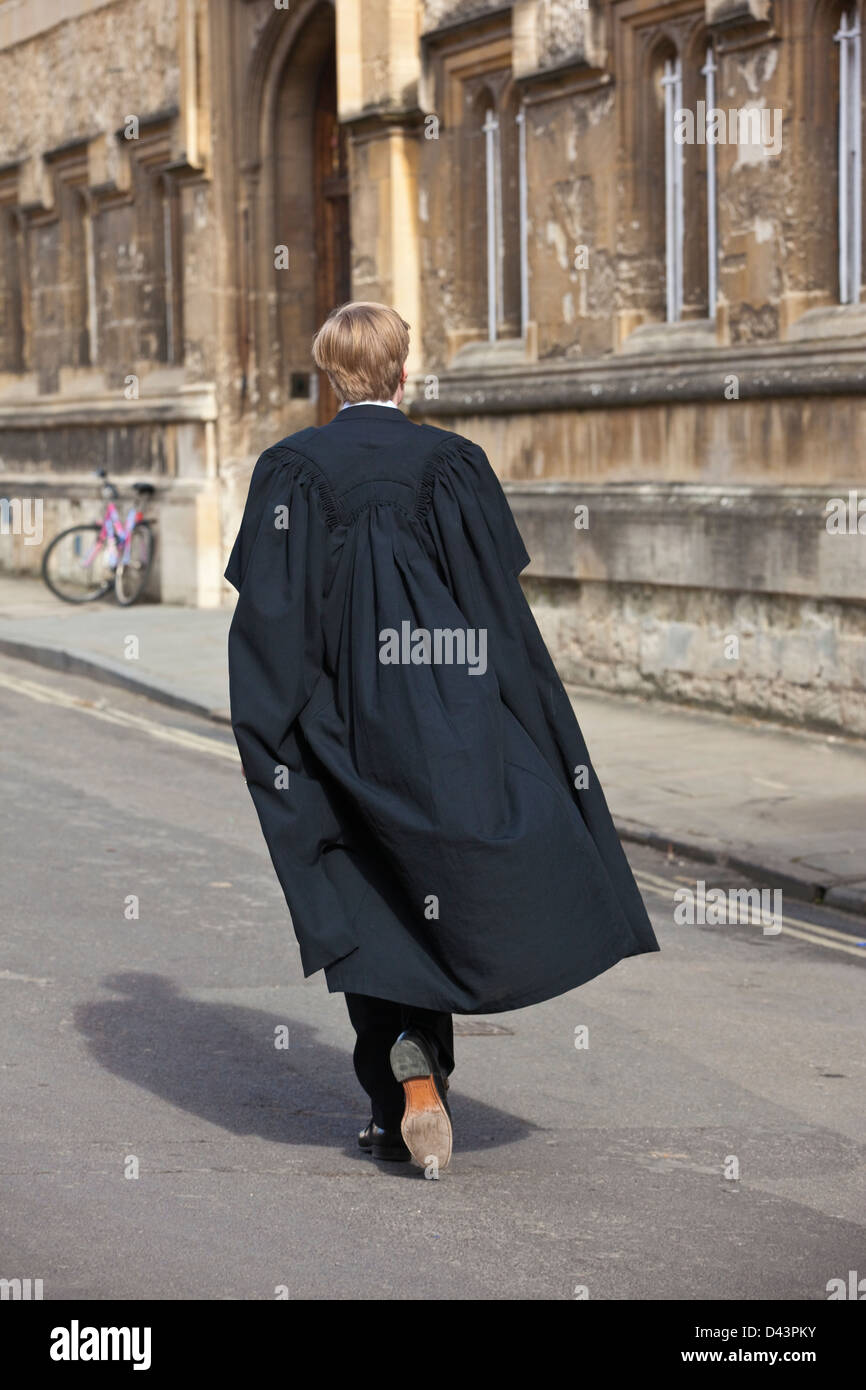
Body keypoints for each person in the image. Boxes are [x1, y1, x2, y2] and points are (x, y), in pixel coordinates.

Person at [225, 301, 659, 1174]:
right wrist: (525, 722)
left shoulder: (289, 471)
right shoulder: (456, 465)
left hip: (341, 721)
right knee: (437, 889)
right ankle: (423, 1074)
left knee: (365, 897)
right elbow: (498, 609)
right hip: (451, 720)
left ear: (329, 375)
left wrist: (272, 735)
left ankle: (402, 1100)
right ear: (402, 371)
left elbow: (272, 621)